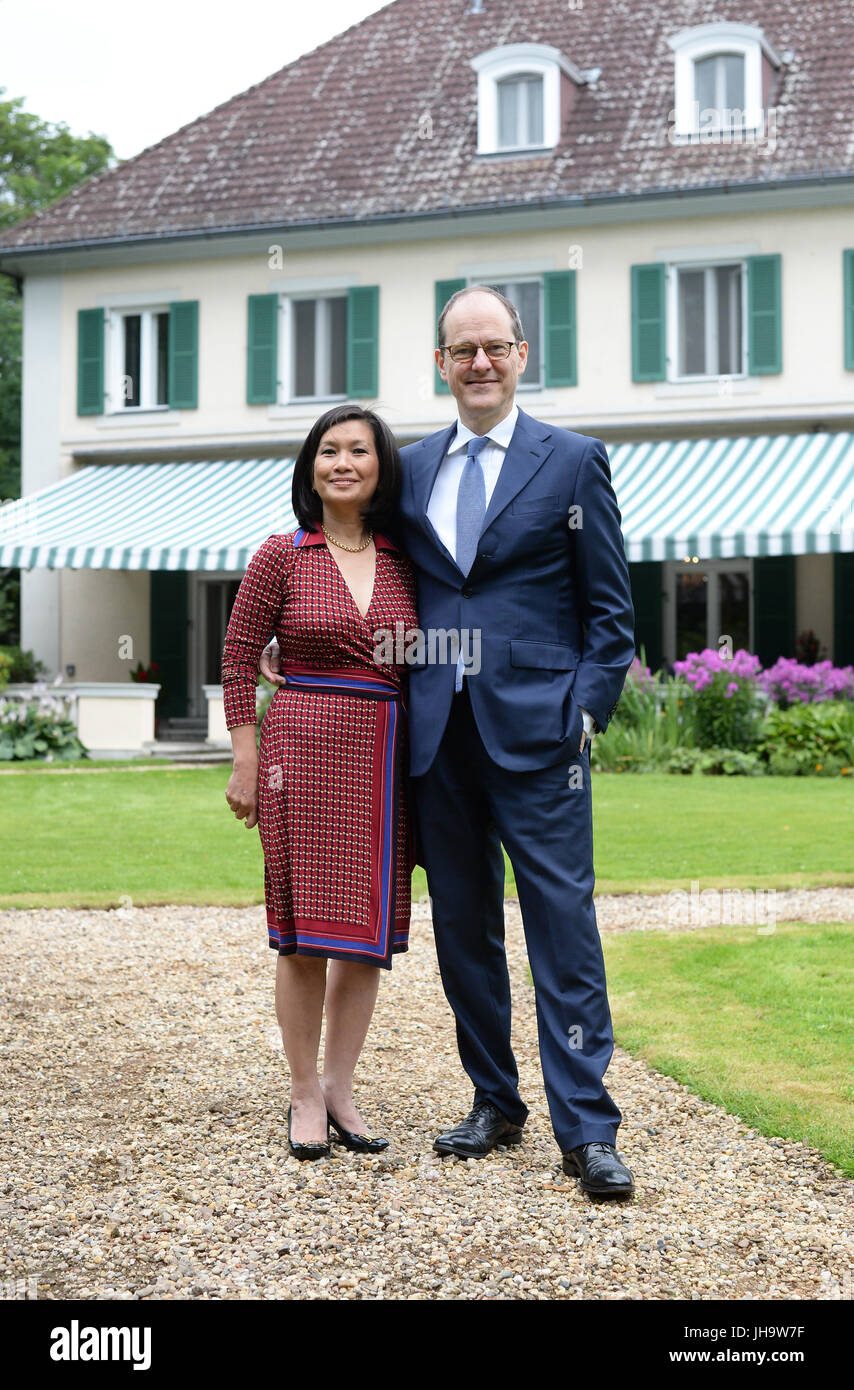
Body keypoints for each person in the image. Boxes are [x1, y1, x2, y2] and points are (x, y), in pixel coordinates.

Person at [261, 285, 637, 1198]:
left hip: (541, 737)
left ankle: (585, 1129)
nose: (478, 363)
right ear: (441, 364)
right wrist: (294, 637)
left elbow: (611, 612)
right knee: (464, 933)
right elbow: (352, 554)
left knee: (562, 931)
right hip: (432, 741)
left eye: (493, 348)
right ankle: (494, 1100)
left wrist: (582, 710)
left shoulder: (574, 462)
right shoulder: (410, 469)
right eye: (461, 350)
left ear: (519, 355)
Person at [221, 404, 418, 1160]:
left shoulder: (407, 558)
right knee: (303, 938)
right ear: (310, 467)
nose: (342, 462)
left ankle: (341, 1085)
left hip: (383, 756)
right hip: (298, 754)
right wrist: (245, 757)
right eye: (328, 450)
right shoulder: (283, 554)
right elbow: (239, 657)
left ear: (380, 467)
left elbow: (425, 650)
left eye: (358, 451)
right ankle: (303, 1092)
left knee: (364, 942)